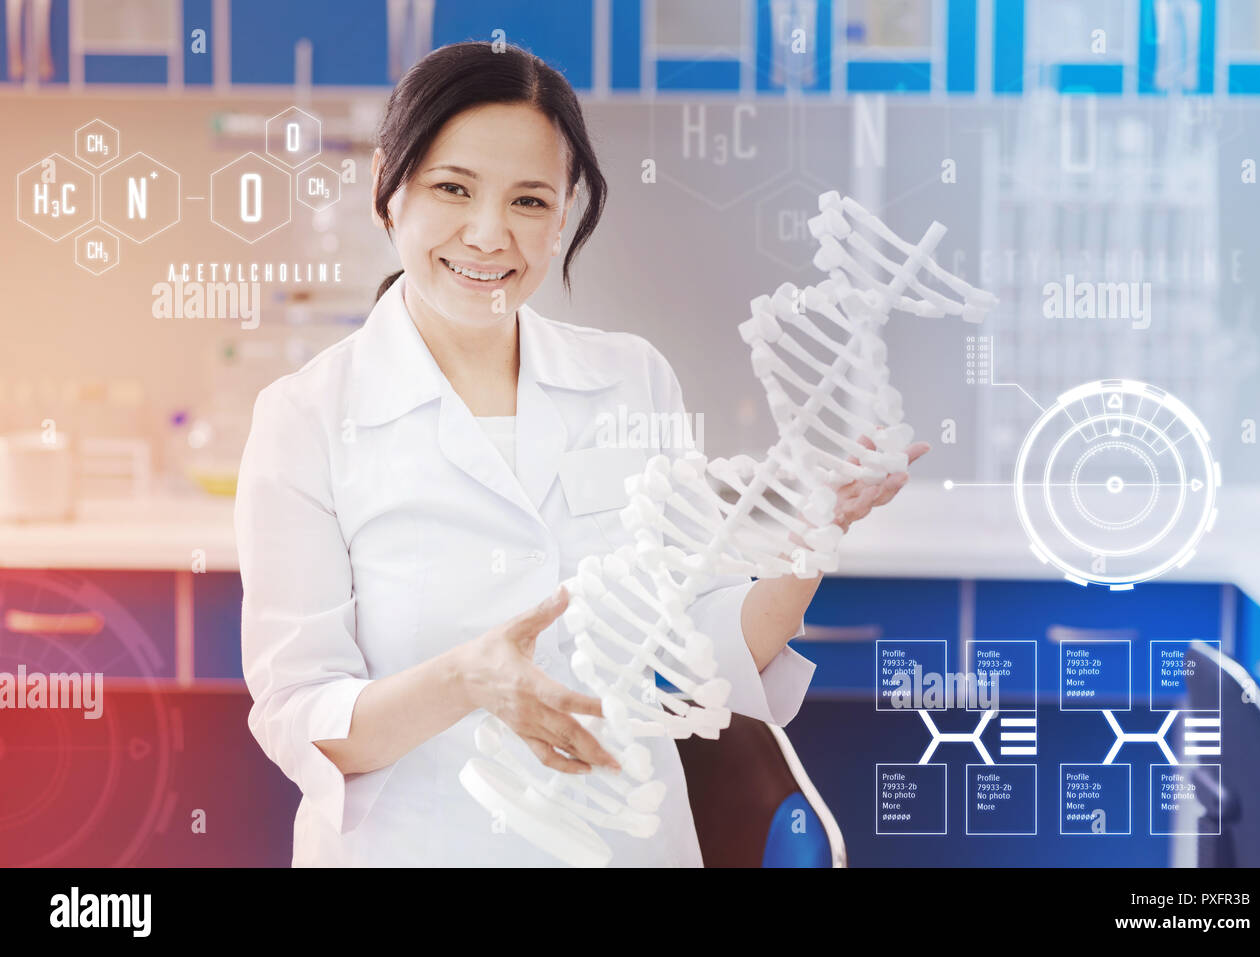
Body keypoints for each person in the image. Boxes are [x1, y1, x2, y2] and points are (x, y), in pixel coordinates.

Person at [235, 40, 926, 866]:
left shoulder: (631, 379)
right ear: (390, 189)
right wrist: (467, 680)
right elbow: (300, 713)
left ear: (564, 213)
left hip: (626, 844)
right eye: (453, 188)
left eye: (529, 201)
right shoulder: (305, 418)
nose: (489, 235)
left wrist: (812, 535)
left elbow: (700, 651)